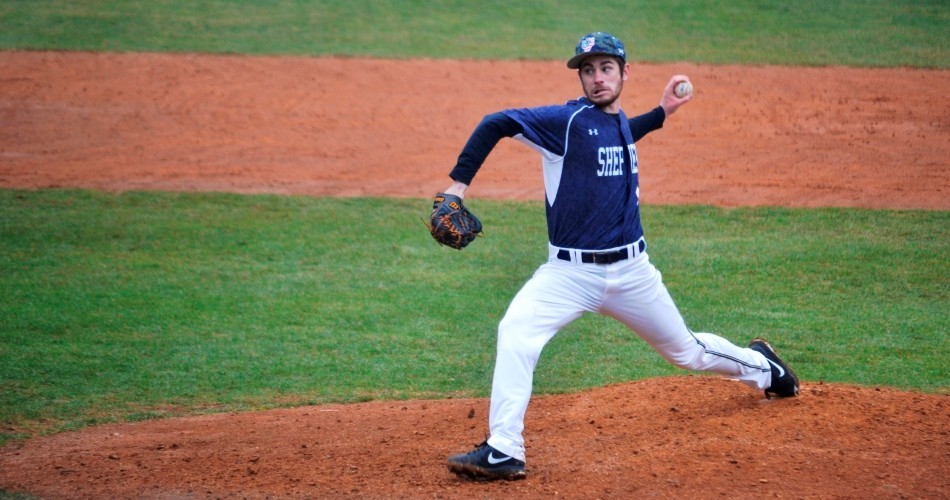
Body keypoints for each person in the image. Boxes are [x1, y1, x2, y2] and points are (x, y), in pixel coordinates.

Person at [441, 32, 799, 481]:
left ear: (625, 72)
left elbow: (626, 130)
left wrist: (662, 113)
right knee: (515, 332)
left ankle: (765, 368)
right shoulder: (567, 123)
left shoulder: (617, 121)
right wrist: (456, 189)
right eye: (588, 70)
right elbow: (496, 122)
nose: (597, 78)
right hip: (567, 275)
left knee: (687, 352)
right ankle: (504, 449)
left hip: (633, 274)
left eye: (606, 68)